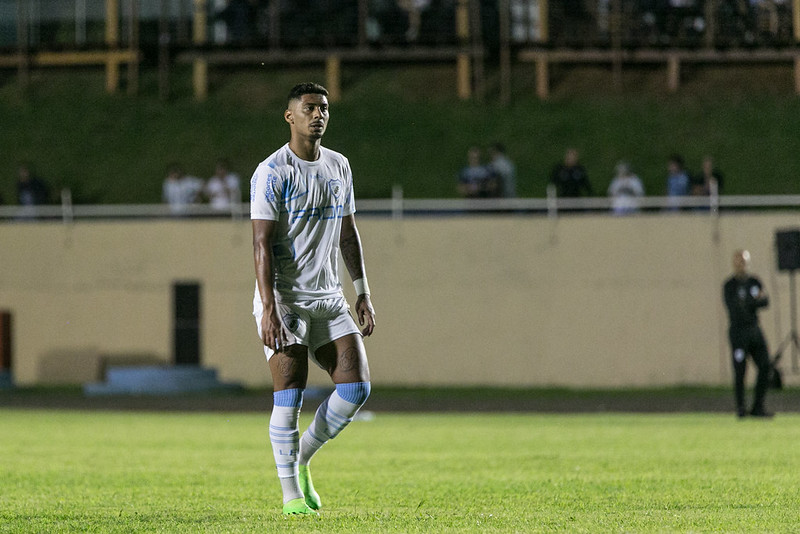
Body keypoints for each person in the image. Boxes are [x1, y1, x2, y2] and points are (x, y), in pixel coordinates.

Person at [250, 82, 375, 516]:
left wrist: (362, 292)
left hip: (329, 296)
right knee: (290, 393)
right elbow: (261, 244)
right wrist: (267, 307)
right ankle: (291, 496)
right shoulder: (272, 172)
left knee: (356, 387)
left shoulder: (339, 165)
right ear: (290, 117)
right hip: (286, 299)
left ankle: (301, 456)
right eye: (309, 108)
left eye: (323, 108)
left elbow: (347, 232)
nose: (318, 115)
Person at [722, 250, 773, 418]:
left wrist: (748, 302)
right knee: (740, 370)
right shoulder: (729, 285)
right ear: (733, 263)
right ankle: (741, 408)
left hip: (754, 330)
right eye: (738, 261)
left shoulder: (754, 281)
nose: (741, 264)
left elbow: (765, 301)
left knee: (765, 365)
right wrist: (752, 302)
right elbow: (734, 307)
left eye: (743, 261)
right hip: (738, 332)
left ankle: (758, 406)